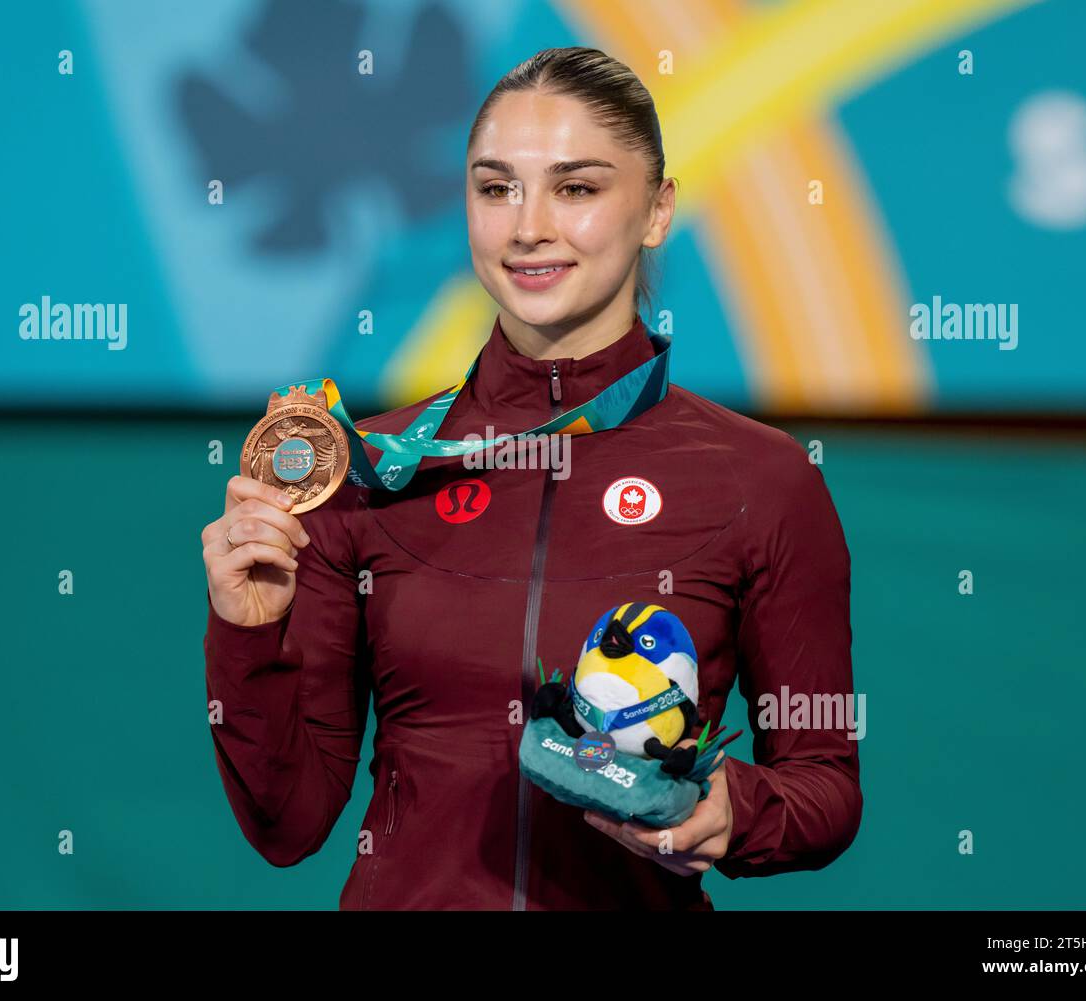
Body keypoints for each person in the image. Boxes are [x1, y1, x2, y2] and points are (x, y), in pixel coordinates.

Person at [201, 47, 861, 910]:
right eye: (495, 187)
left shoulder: (761, 478)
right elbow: (288, 823)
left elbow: (827, 785)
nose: (527, 227)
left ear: (658, 210)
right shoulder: (369, 467)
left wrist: (735, 808)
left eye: (577, 188)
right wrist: (248, 637)